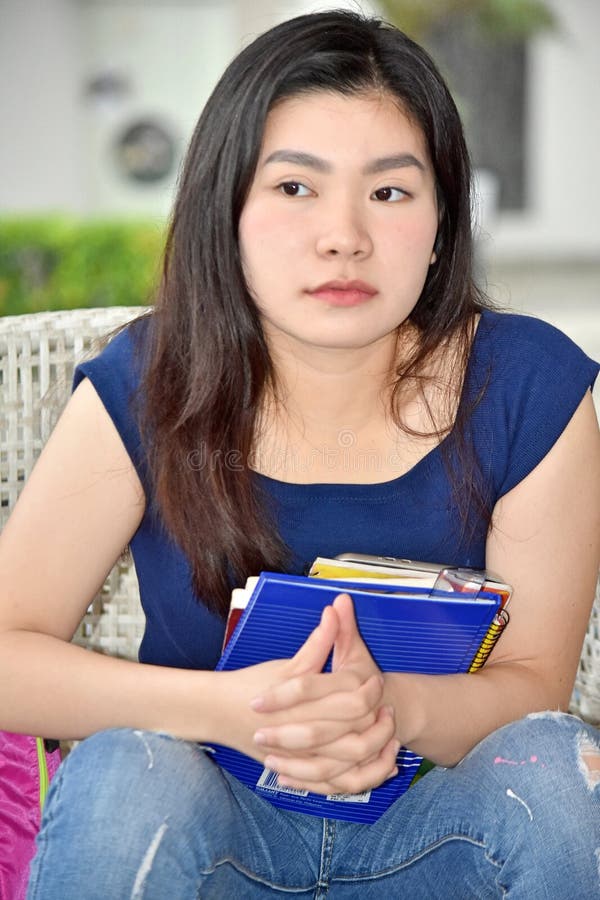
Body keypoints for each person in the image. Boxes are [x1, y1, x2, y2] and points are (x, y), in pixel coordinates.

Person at [1, 9, 599, 898]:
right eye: (294, 188)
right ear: (227, 208)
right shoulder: (147, 382)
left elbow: (535, 684)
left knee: (562, 763)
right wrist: (236, 712)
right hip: (207, 834)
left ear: (441, 223)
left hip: (435, 837)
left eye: (390, 192)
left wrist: (389, 709)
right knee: (127, 774)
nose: (343, 236)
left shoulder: (526, 382)